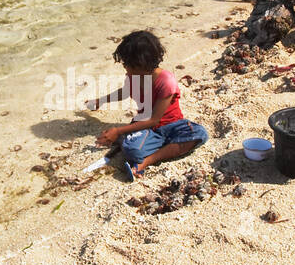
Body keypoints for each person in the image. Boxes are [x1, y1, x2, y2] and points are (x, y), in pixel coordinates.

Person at [87, 30, 208, 180]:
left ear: (140, 64)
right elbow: (124, 92)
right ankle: (159, 148)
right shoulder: (133, 77)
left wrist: (118, 131)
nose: (124, 67)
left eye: (127, 64)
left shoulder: (166, 81)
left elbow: (154, 120)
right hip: (146, 128)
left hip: (172, 125)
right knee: (133, 151)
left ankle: (149, 160)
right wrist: (100, 101)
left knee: (200, 134)